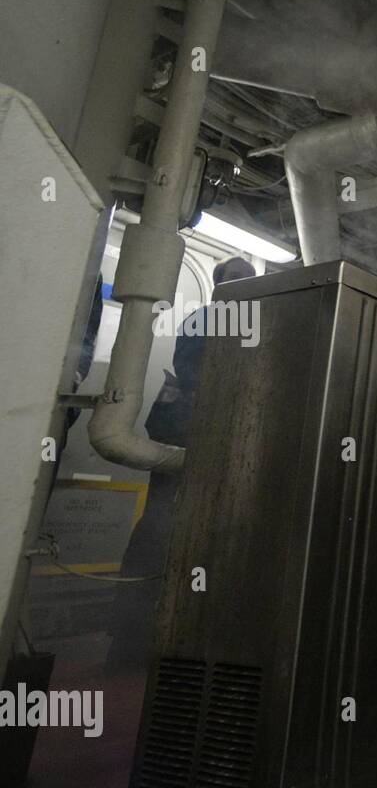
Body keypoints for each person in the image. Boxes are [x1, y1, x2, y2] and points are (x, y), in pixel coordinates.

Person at [103, 256, 257, 676]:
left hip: (211, 441)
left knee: (195, 533)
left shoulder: (243, 326)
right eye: (236, 280)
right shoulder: (205, 320)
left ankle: (176, 637)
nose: (244, 288)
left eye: (249, 281)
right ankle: (133, 640)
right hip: (188, 440)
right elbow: (201, 378)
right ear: (219, 285)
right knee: (162, 529)